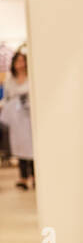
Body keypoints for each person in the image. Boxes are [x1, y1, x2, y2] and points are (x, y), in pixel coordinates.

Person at [3, 50, 33, 189]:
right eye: (18, 61)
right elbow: (7, 98)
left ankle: (34, 175)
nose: (20, 64)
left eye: (22, 61)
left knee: (32, 145)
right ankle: (23, 177)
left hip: (29, 115)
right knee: (19, 146)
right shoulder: (10, 80)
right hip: (16, 117)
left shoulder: (32, 76)